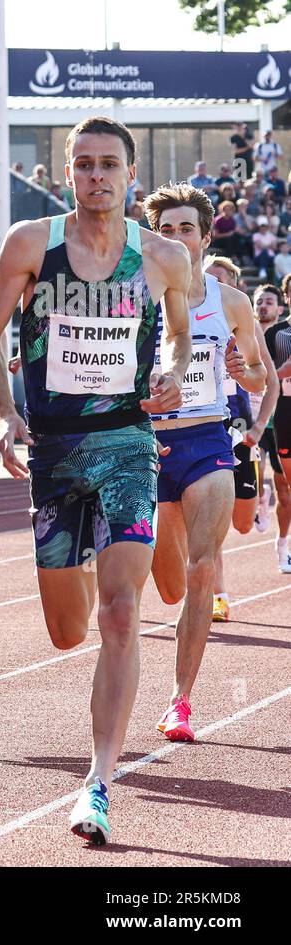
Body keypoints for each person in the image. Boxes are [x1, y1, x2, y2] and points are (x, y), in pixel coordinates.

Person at [0, 116, 190, 846]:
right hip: (56, 452)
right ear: (68, 172)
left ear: (131, 175)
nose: (97, 176)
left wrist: (172, 370)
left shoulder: (161, 256)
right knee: (69, 630)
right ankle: (92, 568)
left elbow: (181, 332)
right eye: (85, 165)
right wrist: (5, 414)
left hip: (128, 442)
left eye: (110, 166)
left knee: (121, 617)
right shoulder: (32, 245)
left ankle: (98, 781)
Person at [140, 183, 267, 742]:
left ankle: (180, 701)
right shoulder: (133, 296)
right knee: (167, 586)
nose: (175, 238)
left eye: (185, 228)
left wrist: (246, 372)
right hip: (145, 449)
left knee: (199, 571)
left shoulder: (229, 301)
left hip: (208, 443)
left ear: (205, 236)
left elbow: (263, 376)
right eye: (164, 230)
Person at [205, 257, 279, 620]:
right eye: (207, 279)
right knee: (209, 524)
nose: (210, 286)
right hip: (205, 428)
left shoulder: (243, 321)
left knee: (242, 524)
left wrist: (259, 426)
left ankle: (260, 494)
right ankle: (217, 595)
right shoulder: (181, 317)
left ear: (234, 287)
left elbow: (271, 382)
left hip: (240, 431)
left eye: (219, 281)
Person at [263, 283, 291, 572]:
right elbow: (265, 377)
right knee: (285, 490)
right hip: (283, 416)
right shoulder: (276, 334)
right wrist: (284, 371)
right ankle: (282, 545)